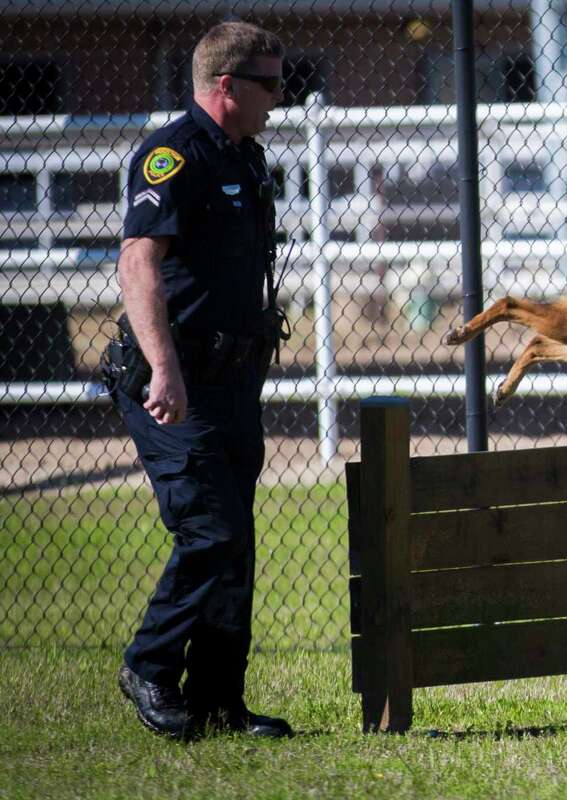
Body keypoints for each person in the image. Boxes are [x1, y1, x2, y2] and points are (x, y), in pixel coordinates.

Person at [111, 20, 291, 739]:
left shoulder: (246, 156)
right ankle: (150, 666)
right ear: (227, 88)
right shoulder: (172, 155)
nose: (280, 99)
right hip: (174, 382)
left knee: (235, 543)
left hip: (232, 382)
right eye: (270, 85)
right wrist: (164, 369)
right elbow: (137, 264)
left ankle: (217, 700)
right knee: (209, 532)